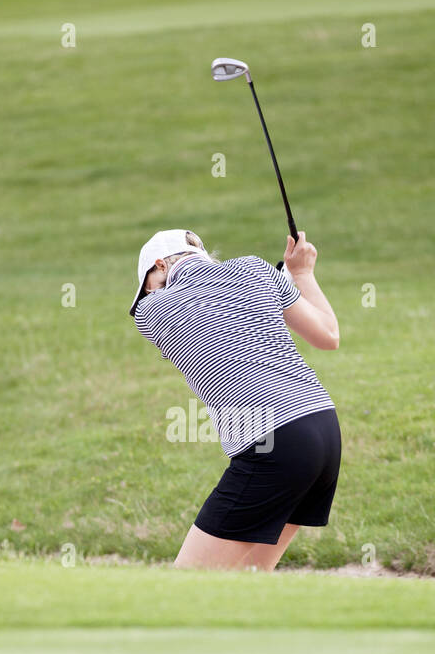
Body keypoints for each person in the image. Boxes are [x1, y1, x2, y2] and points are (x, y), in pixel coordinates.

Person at [129, 228, 341, 570]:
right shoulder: (257, 270)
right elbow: (328, 335)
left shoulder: (151, 311)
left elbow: (205, 305)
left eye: (149, 283)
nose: (148, 293)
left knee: (185, 586)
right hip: (324, 429)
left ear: (160, 266)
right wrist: (300, 274)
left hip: (277, 444)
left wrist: (282, 277)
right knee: (248, 579)